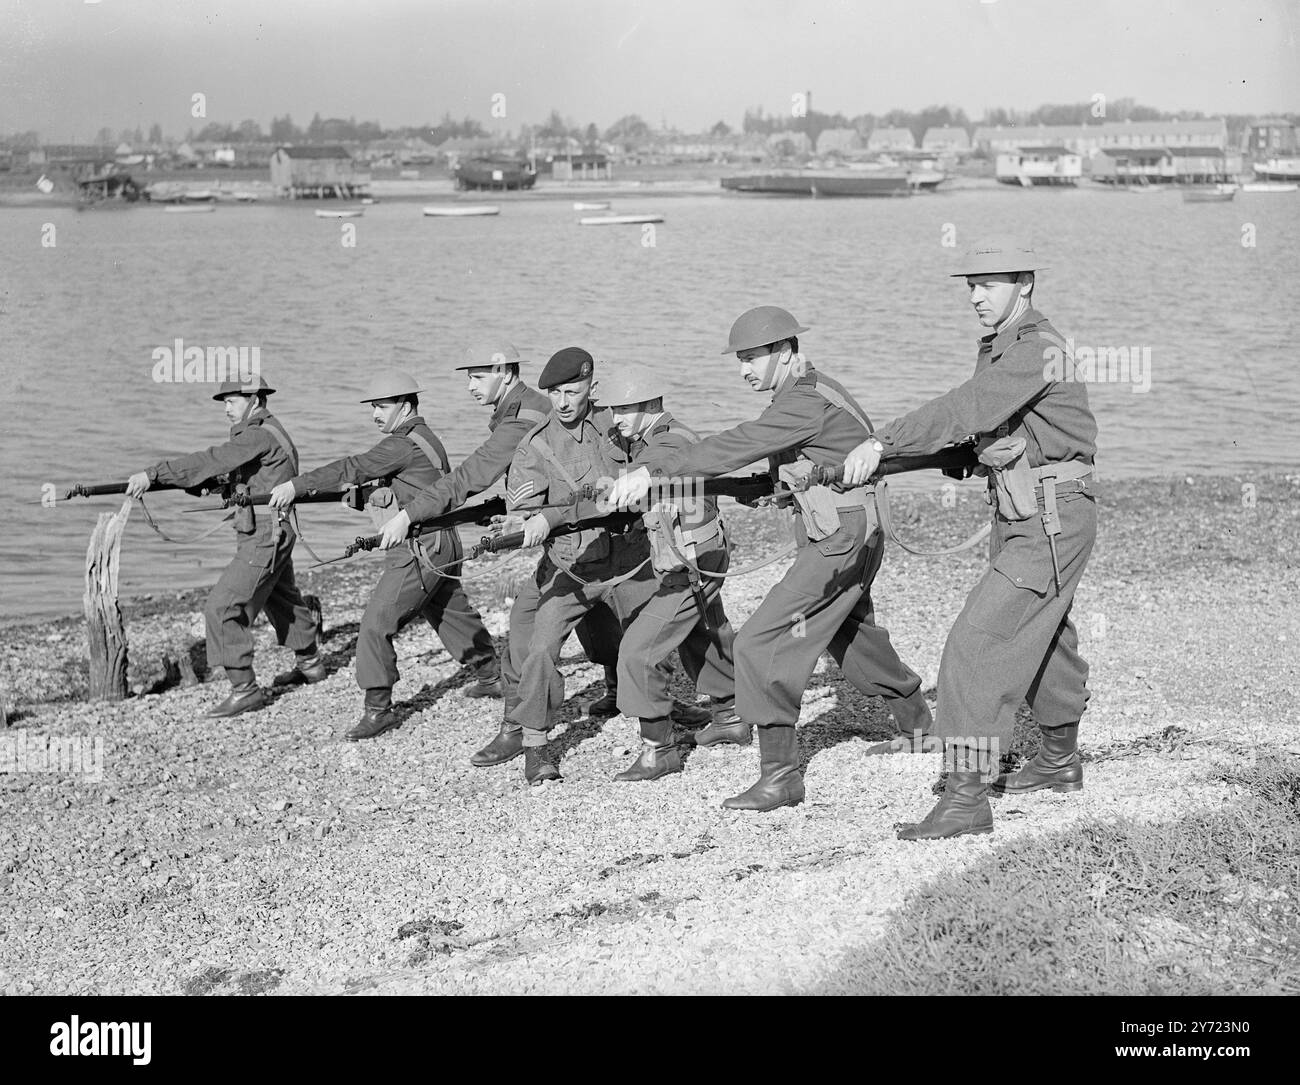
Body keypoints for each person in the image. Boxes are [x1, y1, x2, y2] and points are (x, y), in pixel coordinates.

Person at [606, 307, 933, 811]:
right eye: (740, 359)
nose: (744, 370)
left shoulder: (801, 402)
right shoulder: (812, 391)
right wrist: (774, 488)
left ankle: (780, 776)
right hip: (847, 530)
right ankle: (919, 726)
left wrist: (655, 473)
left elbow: (739, 443)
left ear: (785, 352)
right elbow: (804, 459)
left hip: (840, 536)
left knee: (763, 640)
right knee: (850, 634)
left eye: (753, 358)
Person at [840, 238, 1097, 840]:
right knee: (1044, 634)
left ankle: (966, 798)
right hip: (1025, 510)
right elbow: (971, 444)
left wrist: (884, 441)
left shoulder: (1036, 349)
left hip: (1050, 517)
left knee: (976, 645)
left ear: (1025, 284)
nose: (976, 296)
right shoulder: (1002, 348)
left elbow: (966, 407)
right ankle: (1059, 762)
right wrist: (891, 465)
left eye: (989, 284)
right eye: (970, 286)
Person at [374, 342, 636, 767]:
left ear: (508, 373)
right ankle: (554, 714)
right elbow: (489, 483)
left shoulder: (566, 421)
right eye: (467, 377)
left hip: (612, 550)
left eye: (477, 376)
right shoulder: (534, 418)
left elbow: (469, 476)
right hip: (574, 553)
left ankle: (538, 721)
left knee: (540, 626)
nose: (469, 386)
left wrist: (409, 515)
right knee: (550, 624)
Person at [268, 369, 499, 740]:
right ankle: (492, 675)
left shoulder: (401, 444)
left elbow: (352, 467)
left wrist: (296, 485)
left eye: (381, 406)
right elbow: (403, 486)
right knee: (451, 612)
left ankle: (378, 710)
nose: (375, 413)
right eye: (372, 406)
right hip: (443, 541)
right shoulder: (423, 438)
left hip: (422, 547)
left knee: (375, 624)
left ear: (404, 406)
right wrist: (361, 496)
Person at [505, 347, 660, 784]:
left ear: (591, 386)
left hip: (630, 556)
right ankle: (535, 745)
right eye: (555, 394)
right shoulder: (535, 445)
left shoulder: (617, 424)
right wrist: (529, 524)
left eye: (572, 392)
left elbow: (664, 454)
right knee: (541, 651)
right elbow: (524, 512)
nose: (564, 402)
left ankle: (673, 716)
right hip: (573, 567)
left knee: (661, 630)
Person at [125, 376, 320, 717]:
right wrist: (205, 485)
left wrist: (153, 475)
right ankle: (312, 665)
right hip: (276, 530)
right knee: (282, 598)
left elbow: (212, 459)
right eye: (225, 403)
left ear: (255, 401)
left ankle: (244, 689)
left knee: (221, 607)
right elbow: (237, 475)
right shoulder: (265, 432)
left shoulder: (257, 434)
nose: (226, 409)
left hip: (266, 535)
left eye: (232, 401)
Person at [600, 362, 743, 781]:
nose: (616, 420)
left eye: (625, 410)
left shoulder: (668, 441)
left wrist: (636, 477)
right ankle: (729, 717)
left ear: (650, 404)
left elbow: (665, 460)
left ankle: (658, 749)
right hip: (701, 554)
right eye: (612, 411)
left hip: (690, 562)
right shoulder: (655, 437)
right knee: (703, 631)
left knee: (639, 650)